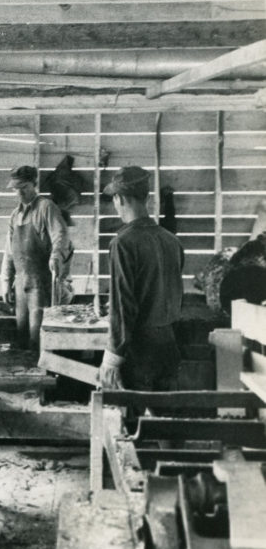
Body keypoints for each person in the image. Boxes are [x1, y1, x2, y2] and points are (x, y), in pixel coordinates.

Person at [98, 166, 184, 390]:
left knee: (134, 411)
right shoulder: (172, 241)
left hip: (139, 351)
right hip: (169, 345)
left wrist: (112, 359)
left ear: (119, 198)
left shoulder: (123, 243)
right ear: (145, 197)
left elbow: (123, 307)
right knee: (164, 411)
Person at [0, 165, 72, 349]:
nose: (19, 193)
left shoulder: (46, 207)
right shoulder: (15, 215)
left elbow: (61, 235)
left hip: (41, 284)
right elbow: (9, 252)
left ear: (34, 184)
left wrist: (56, 256)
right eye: (15, 188)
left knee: (37, 337)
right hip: (21, 284)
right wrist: (6, 282)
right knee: (21, 335)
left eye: (24, 187)